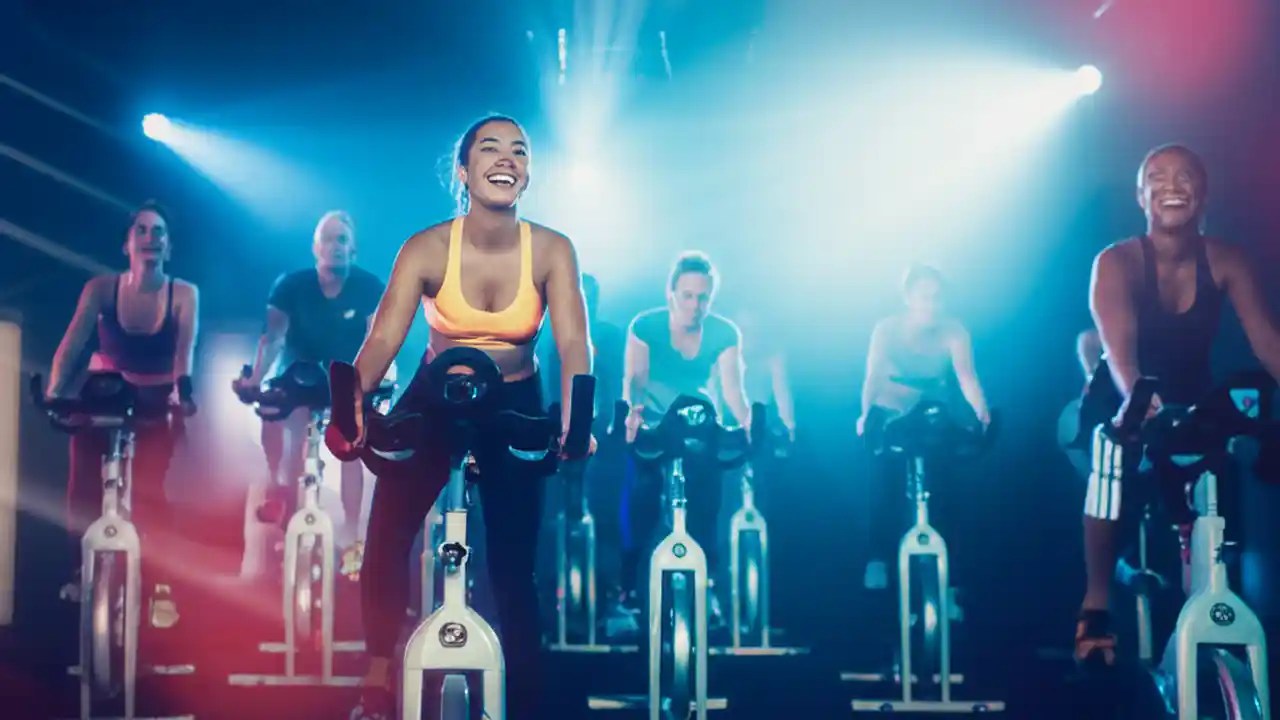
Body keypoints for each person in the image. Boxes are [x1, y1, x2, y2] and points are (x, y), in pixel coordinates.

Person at [326, 115, 593, 720]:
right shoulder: (425, 247)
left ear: (527, 172)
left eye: (519, 151)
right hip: (434, 397)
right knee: (387, 533)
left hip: (515, 400)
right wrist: (352, 410)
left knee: (514, 566)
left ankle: (523, 692)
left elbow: (575, 345)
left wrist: (579, 423)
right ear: (464, 170)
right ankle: (377, 670)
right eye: (491, 149)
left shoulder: (552, 249)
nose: (507, 158)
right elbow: (383, 337)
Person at [1075, 144, 1280, 665]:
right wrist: (1139, 407)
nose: (1173, 184)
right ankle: (1096, 601)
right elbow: (1120, 355)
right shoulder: (1116, 262)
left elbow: (1267, 344)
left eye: (1185, 176)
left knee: (1245, 445)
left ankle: (1217, 584)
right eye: (1158, 177)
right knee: (1110, 450)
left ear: (1203, 193)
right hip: (1123, 398)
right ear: (1141, 195)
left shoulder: (1227, 259)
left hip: (1193, 396)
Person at [45, 200, 200, 626]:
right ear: (126, 244)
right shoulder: (100, 289)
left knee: (151, 492)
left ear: (168, 247)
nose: (152, 238)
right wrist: (56, 392)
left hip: (152, 399)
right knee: (81, 486)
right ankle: (80, 569)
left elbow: (184, 354)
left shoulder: (183, 293)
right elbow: (71, 345)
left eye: (160, 233)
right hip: (105, 394)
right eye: (143, 231)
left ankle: (161, 586)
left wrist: (182, 395)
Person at [232, 210, 386, 559]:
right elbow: (271, 338)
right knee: (280, 411)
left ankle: (350, 530)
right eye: (328, 239)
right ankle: (279, 486)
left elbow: (377, 338)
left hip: (346, 375)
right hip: (298, 373)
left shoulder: (370, 286)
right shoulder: (291, 285)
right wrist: (255, 379)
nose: (335, 246)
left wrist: (377, 382)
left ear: (353, 250)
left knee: (351, 441)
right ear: (315, 248)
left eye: (342, 240)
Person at [616, 251, 751, 631]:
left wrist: (746, 423)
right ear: (672, 294)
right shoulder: (646, 325)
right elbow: (635, 380)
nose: (696, 305)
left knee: (709, 500)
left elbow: (732, 390)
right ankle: (628, 584)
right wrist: (633, 415)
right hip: (656, 424)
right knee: (641, 489)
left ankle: (708, 585)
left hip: (698, 424)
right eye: (688, 296)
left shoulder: (724, 332)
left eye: (703, 298)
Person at [856, 264, 990, 591]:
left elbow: (967, 378)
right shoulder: (887, 329)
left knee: (946, 486)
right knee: (882, 478)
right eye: (924, 297)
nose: (931, 305)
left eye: (937, 298)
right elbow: (872, 376)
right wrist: (864, 416)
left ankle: (950, 581)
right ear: (908, 298)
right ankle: (877, 558)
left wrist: (982, 415)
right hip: (892, 408)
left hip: (931, 410)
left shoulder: (955, 331)